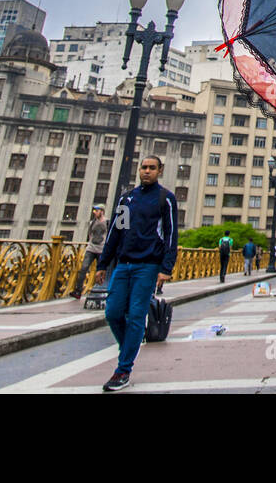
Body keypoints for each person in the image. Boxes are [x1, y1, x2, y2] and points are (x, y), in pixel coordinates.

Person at [95, 156, 177, 391]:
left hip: (148, 265)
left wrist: (166, 268)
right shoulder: (127, 199)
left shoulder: (165, 199)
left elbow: (171, 236)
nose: (147, 171)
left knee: (137, 315)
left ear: (160, 170)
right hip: (123, 264)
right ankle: (129, 346)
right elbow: (115, 232)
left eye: (152, 168)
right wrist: (103, 263)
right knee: (112, 312)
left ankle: (123, 370)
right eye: (144, 167)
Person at [70, 204, 107, 299]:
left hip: (101, 249)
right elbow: (90, 234)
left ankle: (98, 288)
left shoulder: (107, 222)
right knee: (83, 268)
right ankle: (78, 290)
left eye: (97, 210)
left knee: (101, 270)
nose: (95, 213)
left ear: (102, 211)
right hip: (91, 248)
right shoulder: (92, 222)